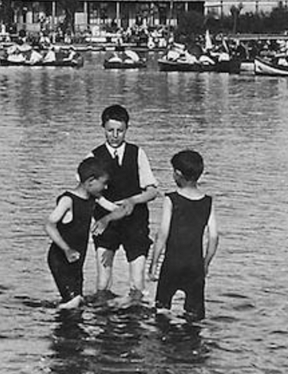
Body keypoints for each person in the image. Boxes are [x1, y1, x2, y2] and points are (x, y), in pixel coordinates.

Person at [90, 104, 159, 299]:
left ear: (127, 129)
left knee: (137, 283)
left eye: (120, 131)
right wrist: (110, 208)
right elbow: (88, 191)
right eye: (110, 130)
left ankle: (135, 320)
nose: (115, 135)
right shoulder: (93, 156)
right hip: (105, 224)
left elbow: (152, 191)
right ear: (103, 128)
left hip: (135, 223)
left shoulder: (137, 153)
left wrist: (132, 200)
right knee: (103, 282)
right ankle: (104, 320)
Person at [44, 157, 129, 310]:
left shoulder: (94, 197)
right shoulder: (67, 200)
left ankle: (70, 327)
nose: (105, 187)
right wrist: (66, 249)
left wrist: (107, 218)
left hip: (77, 258)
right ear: (90, 181)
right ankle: (53, 321)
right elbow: (49, 225)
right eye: (103, 183)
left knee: (77, 300)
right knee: (73, 302)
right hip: (61, 257)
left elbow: (120, 210)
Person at [148, 150, 220, 321]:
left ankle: (164, 342)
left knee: (162, 310)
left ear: (178, 174)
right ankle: (192, 344)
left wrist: (153, 265)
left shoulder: (171, 199)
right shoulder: (207, 202)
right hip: (195, 266)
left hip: (172, 264)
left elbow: (162, 234)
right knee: (195, 315)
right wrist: (205, 263)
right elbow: (214, 237)